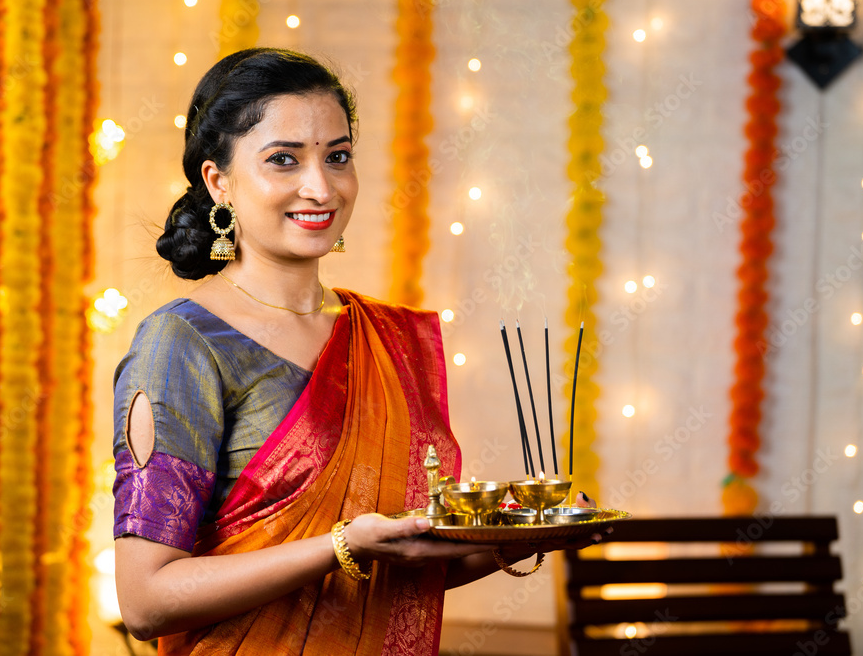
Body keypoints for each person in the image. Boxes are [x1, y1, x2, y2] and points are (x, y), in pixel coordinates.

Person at [112, 47, 602, 656]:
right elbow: (146, 602)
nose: (320, 187)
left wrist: (527, 535)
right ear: (219, 182)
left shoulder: (385, 336)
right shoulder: (183, 342)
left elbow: (396, 570)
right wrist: (340, 545)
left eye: (337, 157)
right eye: (283, 159)